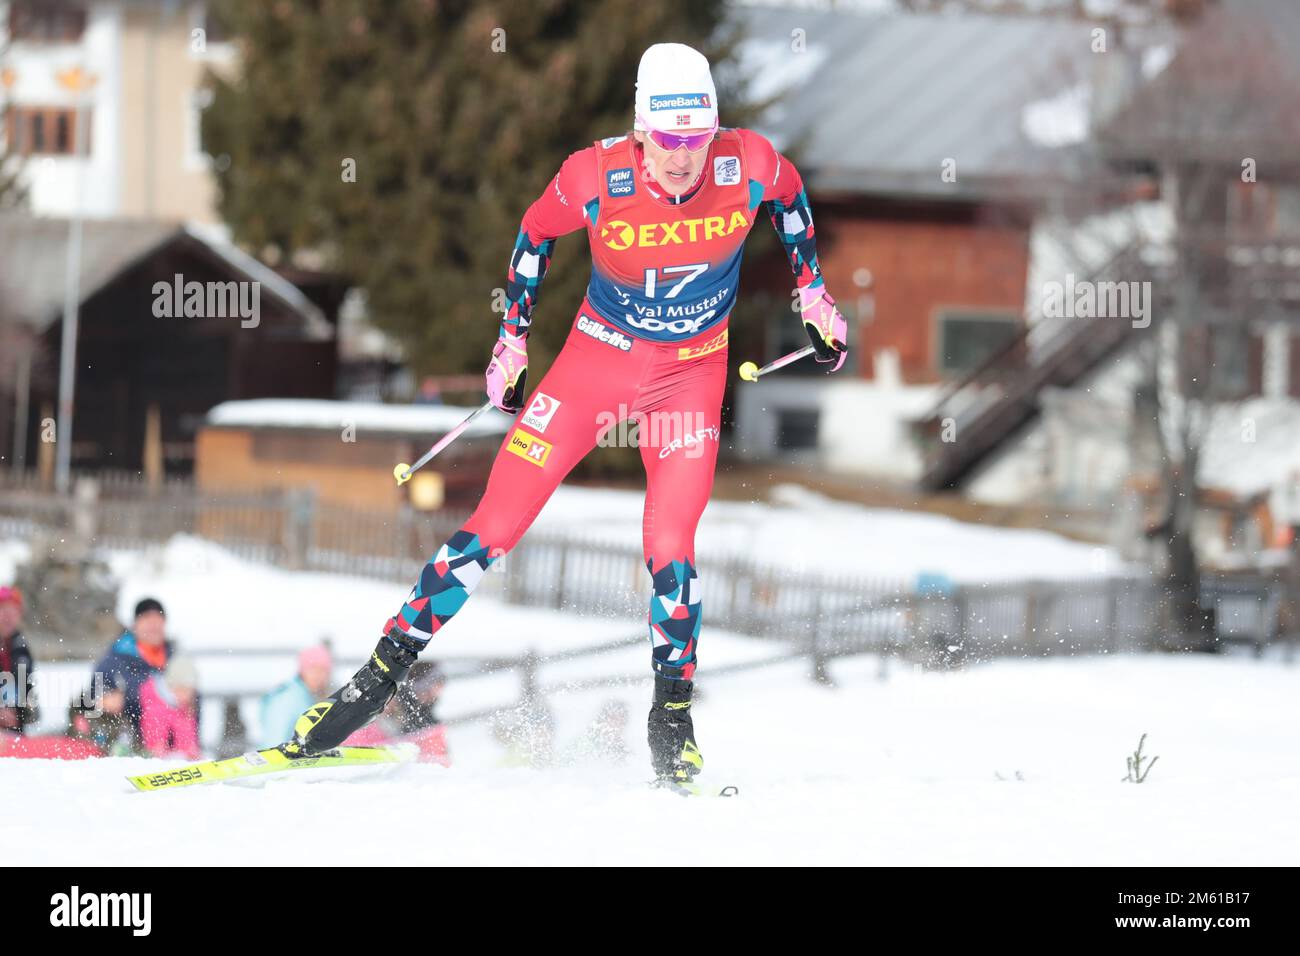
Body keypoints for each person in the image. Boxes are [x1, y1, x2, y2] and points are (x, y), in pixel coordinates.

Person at [288, 42, 848, 784]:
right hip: (596, 365)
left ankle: (671, 721)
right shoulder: (596, 176)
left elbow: (792, 199)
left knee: (673, 547)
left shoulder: (746, 163)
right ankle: (375, 680)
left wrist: (814, 293)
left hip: (689, 376)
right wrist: (510, 342)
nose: (683, 159)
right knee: (490, 527)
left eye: (697, 140)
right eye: (668, 140)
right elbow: (533, 236)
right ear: (641, 131)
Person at [88, 597, 174, 750]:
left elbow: (191, 698)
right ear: (136, 625)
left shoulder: (173, 657)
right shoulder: (119, 654)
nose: (153, 626)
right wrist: (111, 698)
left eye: (158, 620)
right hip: (130, 737)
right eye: (147, 619)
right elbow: (98, 689)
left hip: (171, 742)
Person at [257, 644, 333, 748]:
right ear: (302, 670)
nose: (317, 675)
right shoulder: (289, 697)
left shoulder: (308, 696)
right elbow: (274, 739)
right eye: (312, 669)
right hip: (278, 759)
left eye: (322, 670)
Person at [138, 655, 201, 760]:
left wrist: (189, 750)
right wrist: (157, 747)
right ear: (171, 687)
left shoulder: (184, 706)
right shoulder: (156, 702)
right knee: (157, 715)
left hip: (172, 753)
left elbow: (185, 729)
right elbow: (153, 726)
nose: (185, 696)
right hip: (150, 751)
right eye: (182, 690)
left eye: (189, 692)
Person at [0, 585, 38, 733]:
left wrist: (24, 712)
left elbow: (27, 695)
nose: (8, 616)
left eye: (13, 611)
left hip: (12, 734)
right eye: (3, 610)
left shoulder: (21, 648)